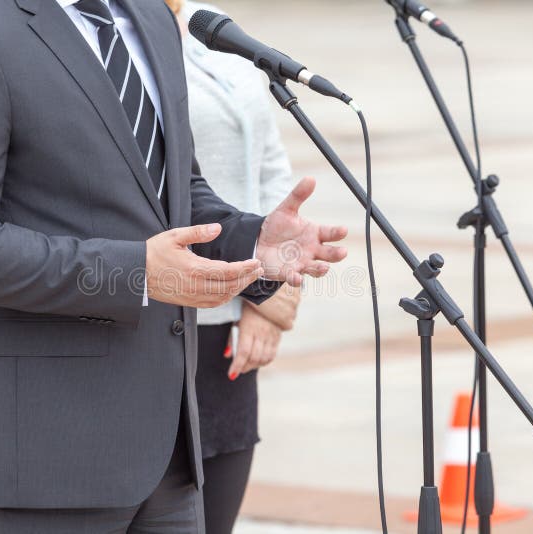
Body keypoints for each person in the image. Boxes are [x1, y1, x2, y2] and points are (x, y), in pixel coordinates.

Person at [0, 0, 347, 531]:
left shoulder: (154, 19)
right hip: (41, 465)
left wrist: (250, 237)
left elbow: (175, 191)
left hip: (169, 460)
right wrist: (135, 271)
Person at [166, 1, 301, 531]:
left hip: (232, 330)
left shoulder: (211, 23)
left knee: (215, 515)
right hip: (161, 314)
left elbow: (273, 170)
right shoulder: (104, 33)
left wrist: (269, 300)